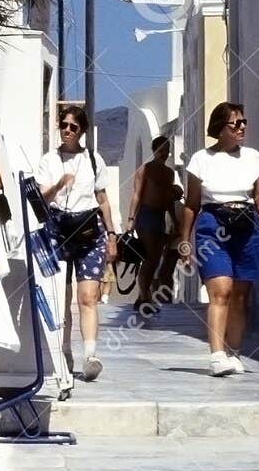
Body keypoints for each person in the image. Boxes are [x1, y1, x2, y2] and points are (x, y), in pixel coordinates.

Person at [181, 102, 259, 376]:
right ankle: (216, 355)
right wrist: (185, 240)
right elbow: (191, 204)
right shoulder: (201, 160)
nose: (242, 127)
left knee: (239, 295)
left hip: (247, 225)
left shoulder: (252, 158)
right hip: (213, 224)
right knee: (221, 290)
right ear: (220, 128)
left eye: (243, 122)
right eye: (235, 123)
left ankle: (234, 352)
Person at [36, 106, 117, 382]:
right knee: (62, 296)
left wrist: (112, 235)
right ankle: (65, 351)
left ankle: (90, 356)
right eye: (64, 125)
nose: (68, 131)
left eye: (74, 127)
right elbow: (42, 200)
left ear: (82, 131)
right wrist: (59, 184)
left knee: (88, 296)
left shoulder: (93, 159)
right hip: (58, 230)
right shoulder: (49, 160)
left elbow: (103, 198)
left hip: (89, 231)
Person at [126, 135, 181, 316]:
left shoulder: (169, 173)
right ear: (154, 151)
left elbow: (168, 200)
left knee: (155, 259)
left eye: (166, 150)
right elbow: (137, 194)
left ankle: (142, 296)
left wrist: (174, 220)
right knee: (149, 258)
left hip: (159, 216)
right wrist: (131, 218)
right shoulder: (145, 169)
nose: (164, 154)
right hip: (146, 215)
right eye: (160, 150)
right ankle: (145, 298)